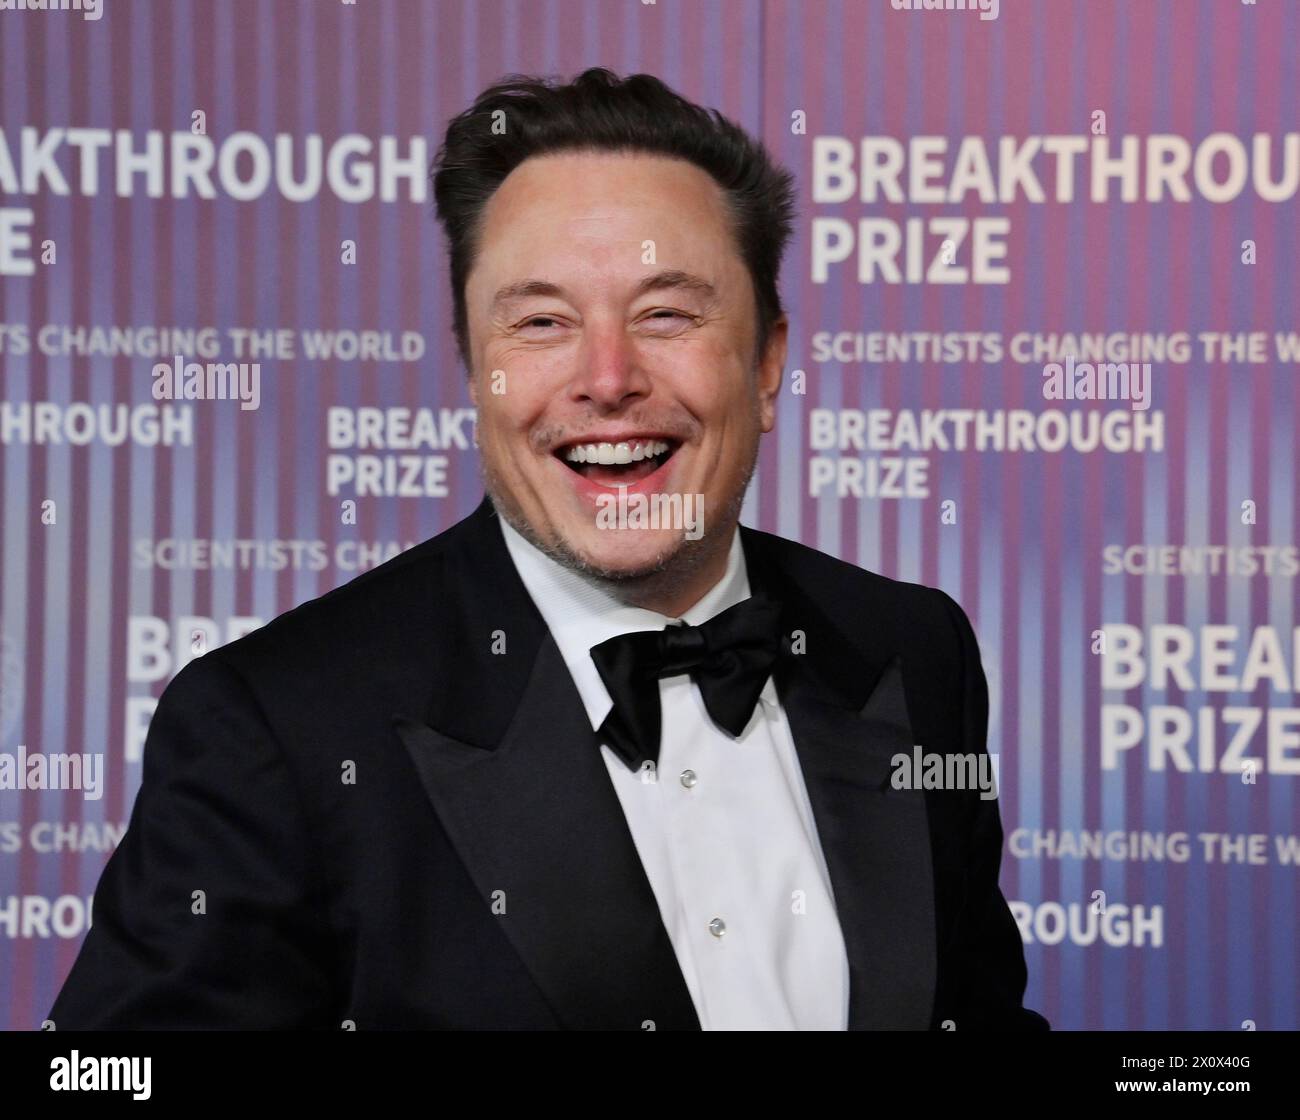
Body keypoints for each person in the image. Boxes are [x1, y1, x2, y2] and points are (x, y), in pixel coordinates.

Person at [49, 68, 1047, 1031]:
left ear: (768, 362)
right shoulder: (277, 728)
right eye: (540, 322)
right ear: (475, 369)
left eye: (666, 314)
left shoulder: (912, 648)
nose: (606, 378)